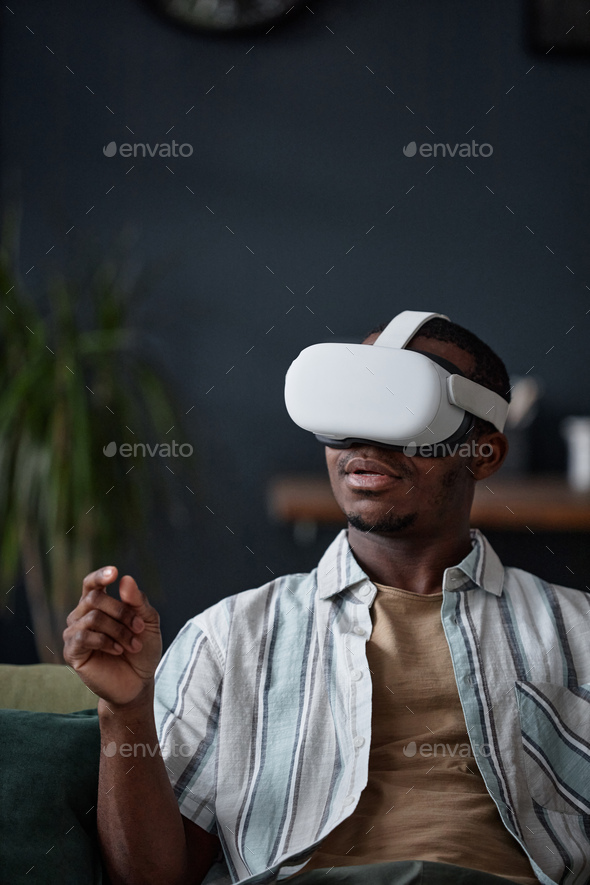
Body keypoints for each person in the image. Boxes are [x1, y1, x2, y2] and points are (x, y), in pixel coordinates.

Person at [63, 315, 590, 885]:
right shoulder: (229, 638)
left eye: (405, 408)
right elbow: (152, 880)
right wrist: (126, 713)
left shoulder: (577, 630)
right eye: (350, 404)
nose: (365, 441)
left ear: (484, 453)